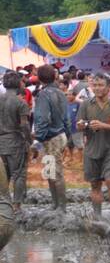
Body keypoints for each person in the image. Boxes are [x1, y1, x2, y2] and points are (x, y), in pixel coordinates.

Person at [76, 73, 110, 219]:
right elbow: (79, 125)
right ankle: (98, 217)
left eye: (101, 85)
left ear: (108, 87)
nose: (97, 88)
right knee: (95, 185)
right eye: (95, 85)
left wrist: (104, 126)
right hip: (91, 148)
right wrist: (82, 125)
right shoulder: (86, 104)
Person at [32, 64, 71, 211]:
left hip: (50, 138)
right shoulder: (60, 92)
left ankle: (60, 206)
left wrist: (38, 139)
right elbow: (67, 117)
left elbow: (43, 119)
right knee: (52, 172)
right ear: (54, 76)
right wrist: (67, 135)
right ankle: (57, 205)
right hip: (60, 135)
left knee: (54, 173)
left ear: (39, 78)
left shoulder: (43, 95)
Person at [0, 72, 30, 209]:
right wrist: (29, 140)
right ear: (18, 84)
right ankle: (17, 205)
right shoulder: (21, 103)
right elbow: (24, 125)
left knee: (3, 175)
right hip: (15, 142)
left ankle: (4, 204)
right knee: (18, 174)